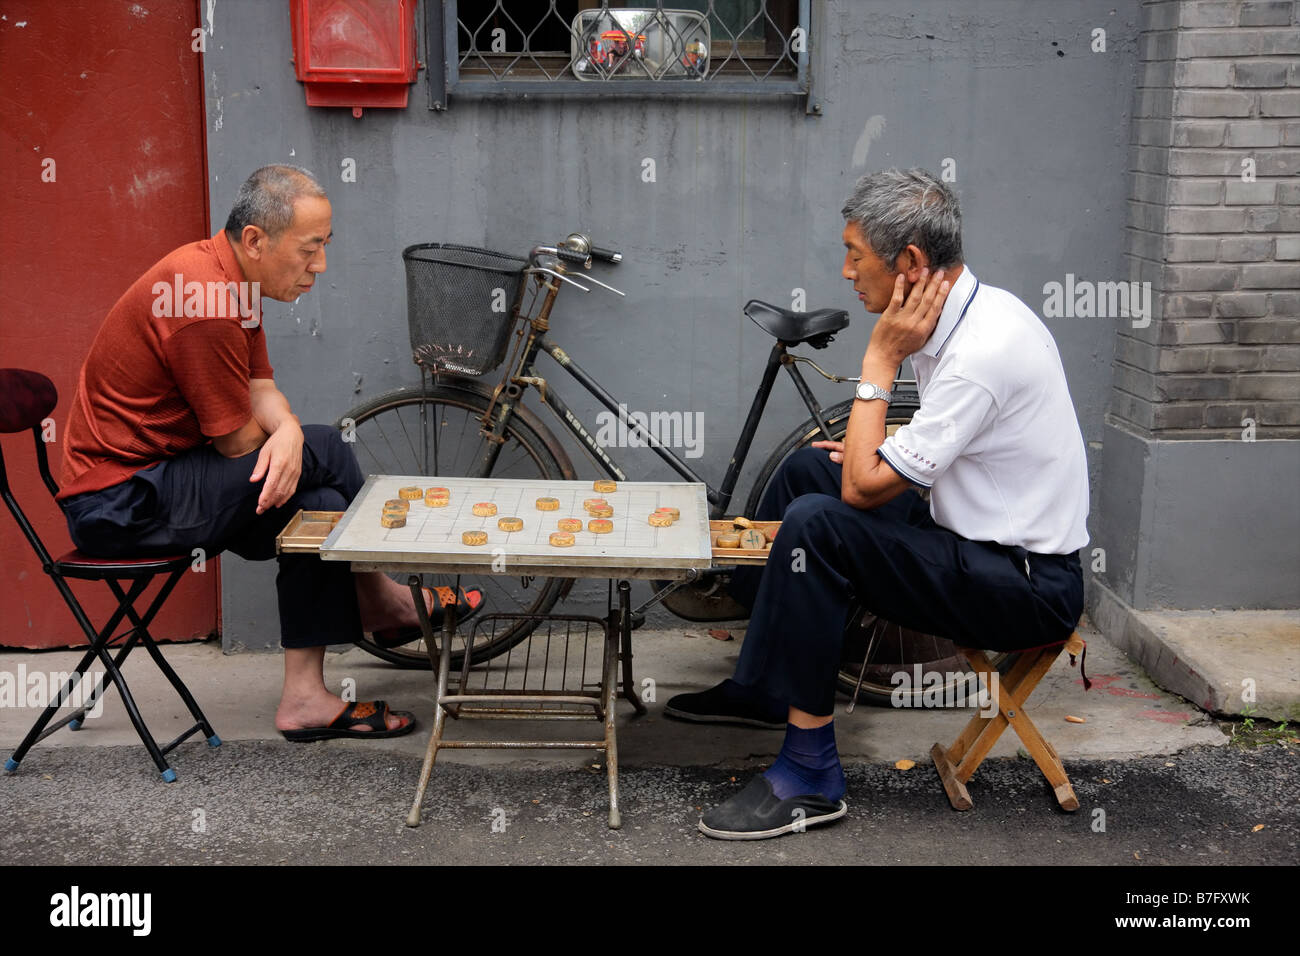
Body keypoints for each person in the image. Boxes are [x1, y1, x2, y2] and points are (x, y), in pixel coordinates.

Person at [665, 168, 1089, 839]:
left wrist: (878, 363)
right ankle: (765, 685)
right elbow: (942, 443)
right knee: (811, 471)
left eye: (854, 254)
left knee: (818, 525)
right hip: (976, 542)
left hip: (1024, 585)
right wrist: (888, 446)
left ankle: (810, 775)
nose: (844, 271)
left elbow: (864, 489)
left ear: (910, 263)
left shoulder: (982, 349)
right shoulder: (964, 312)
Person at [56, 165, 478, 741]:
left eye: (325, 247)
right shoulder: (202, 302)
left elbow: (260, 390)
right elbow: (234, 441)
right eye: (309, 249)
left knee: (323, 498)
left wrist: (286, 430)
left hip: (171, 481)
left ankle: (305, 700)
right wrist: (294, 436)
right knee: (326, 446)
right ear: (255, 240)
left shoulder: (234, 282)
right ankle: (383, 599)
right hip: (121, 502)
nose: (320, 265)